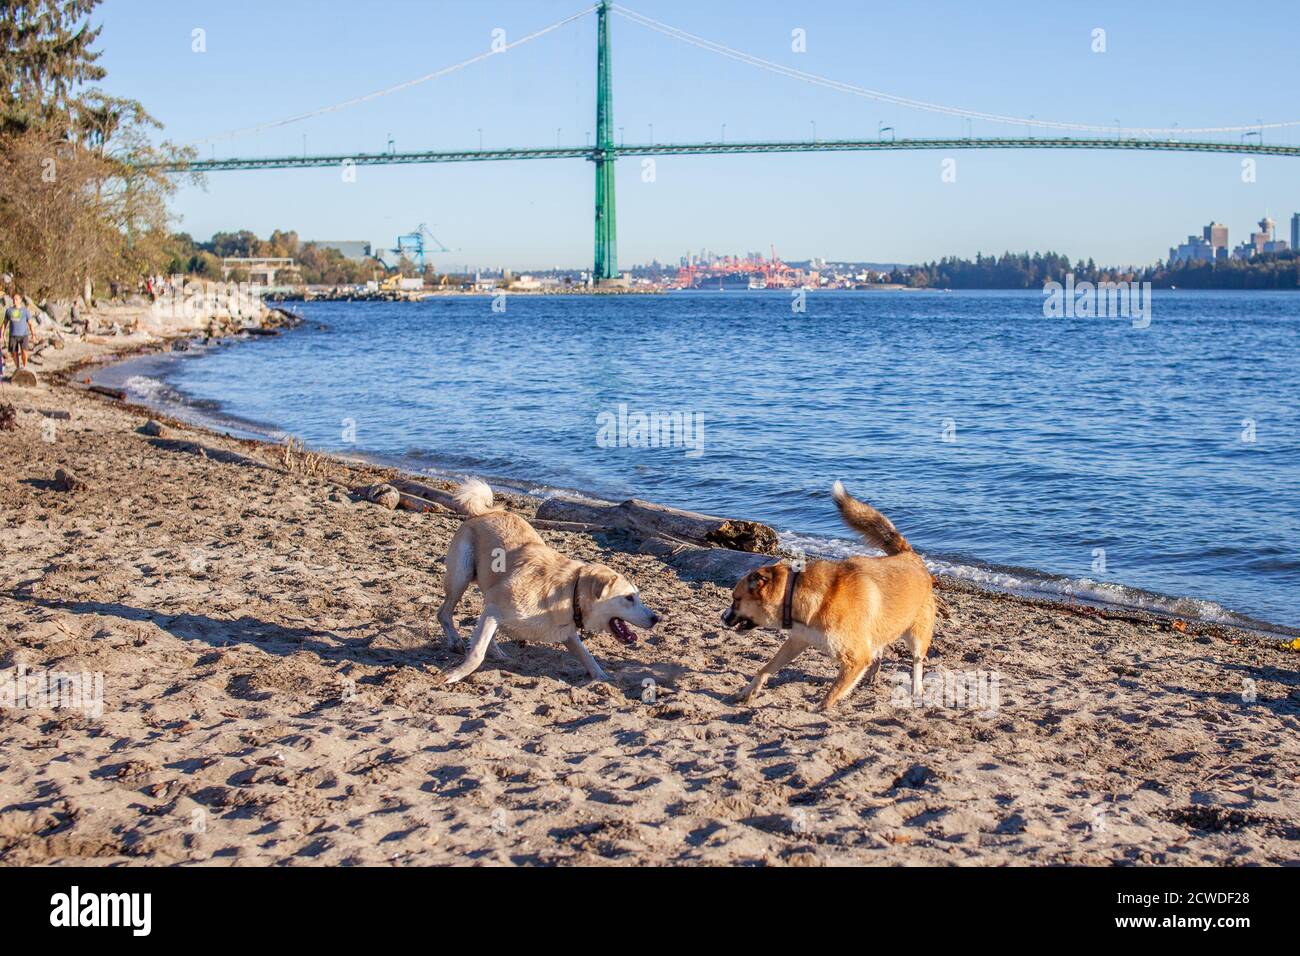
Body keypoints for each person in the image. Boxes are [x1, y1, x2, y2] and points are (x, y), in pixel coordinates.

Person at [5, 294, 32, 372]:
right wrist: (2, 333)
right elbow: (5, 323)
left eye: (16, 299)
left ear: (20, 300)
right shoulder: (9, 310)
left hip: (24, 335)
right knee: (14, 353)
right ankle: (18, 368)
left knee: (24, 352)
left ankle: (24, 367)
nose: (15, 301)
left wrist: (33, 334)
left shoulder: (25, 311)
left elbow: (30, 323)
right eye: (13, 299)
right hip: (13, 335)